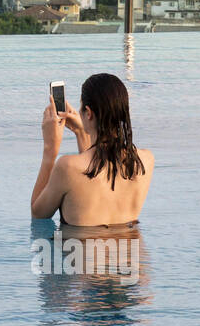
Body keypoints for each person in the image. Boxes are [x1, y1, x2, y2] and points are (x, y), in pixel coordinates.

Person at [29, 73, 154, 227]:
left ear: (88, 113)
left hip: (81, 249)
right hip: (131, 249)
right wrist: (82, 133)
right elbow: (95, 181)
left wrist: (50, 149)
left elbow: (39, 214)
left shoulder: (67, 167)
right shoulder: (145, 161)